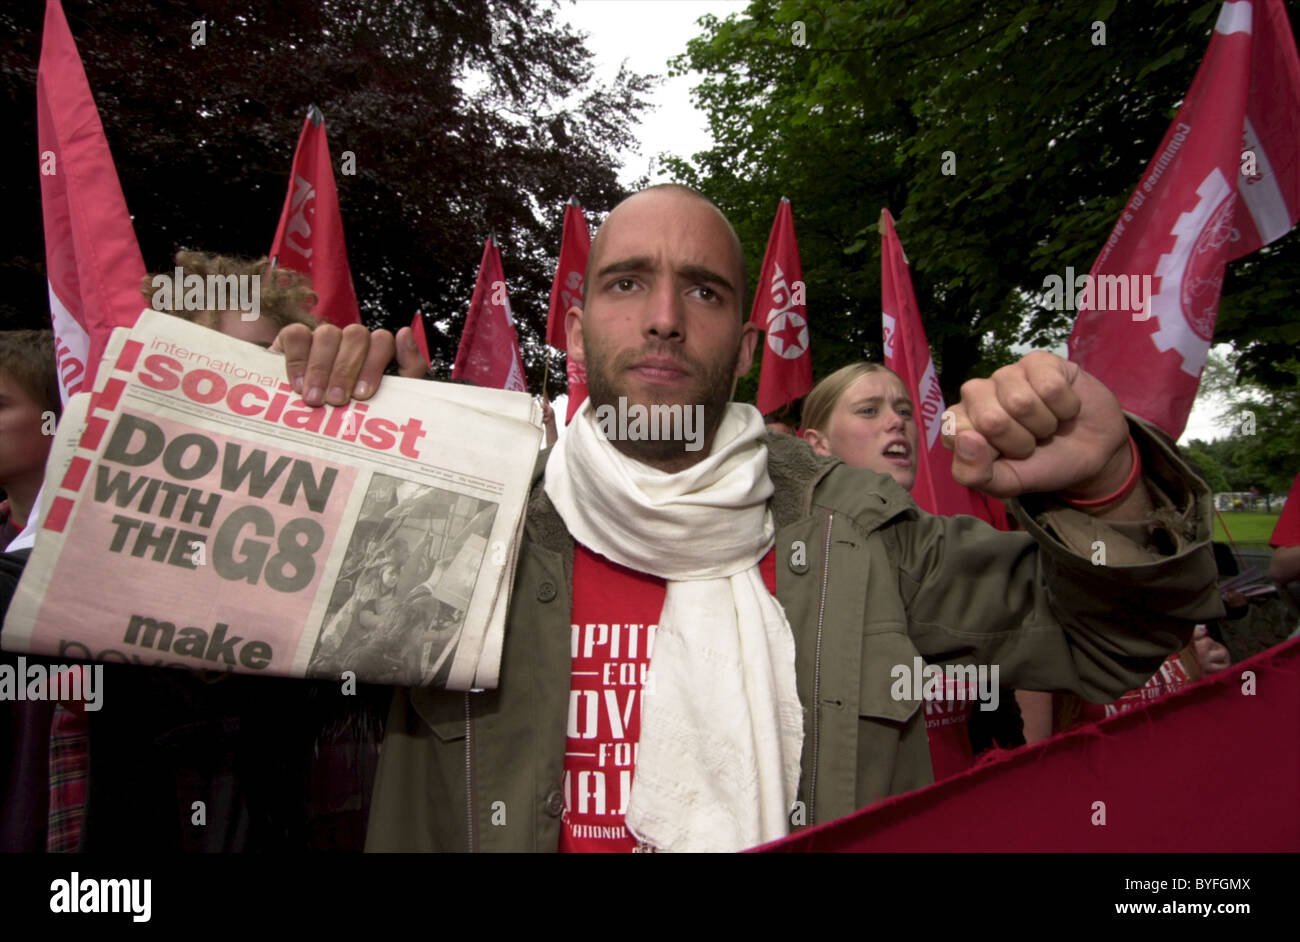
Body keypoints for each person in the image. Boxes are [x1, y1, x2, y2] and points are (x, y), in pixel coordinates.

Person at [275, 183, 1223, 853]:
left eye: (704, 291)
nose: (662, 318)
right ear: (572, 329)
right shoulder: (461, 506)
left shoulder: (863, 526)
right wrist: (300, 419)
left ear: (743, 347)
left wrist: (1107, 484)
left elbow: (1108, 642)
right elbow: (204, 596)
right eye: (625, 283)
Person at [799, 362, 1025, 777]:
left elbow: (1001, 716)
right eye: (869, 411)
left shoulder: (955, 555)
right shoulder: (789, 568)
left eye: (904, 411)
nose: (896, 422)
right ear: (818, 444)